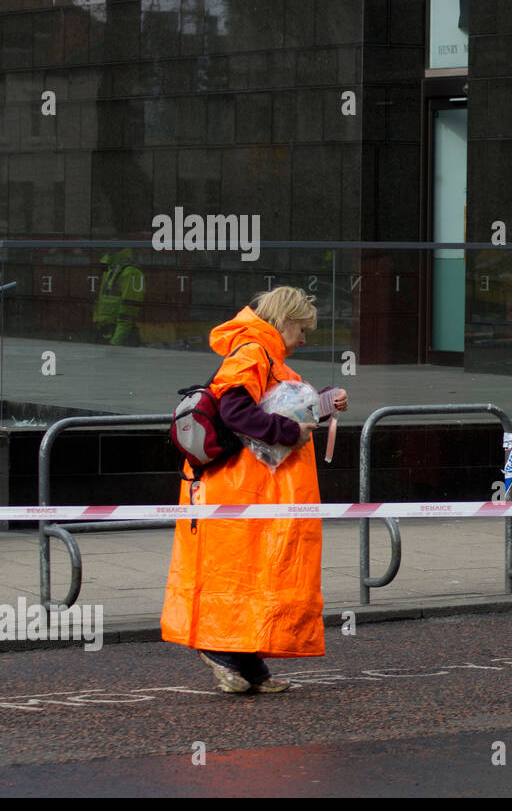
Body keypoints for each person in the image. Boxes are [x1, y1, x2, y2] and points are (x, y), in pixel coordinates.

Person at [161, 287, 347, 693]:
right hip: (239, 488)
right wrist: (289, 432)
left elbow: (272, 406)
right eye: (301, 329)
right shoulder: (252, 352)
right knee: (236, 575)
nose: (304, 339)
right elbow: (236, 412)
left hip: (253, 488)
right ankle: (222, 653)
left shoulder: (263, 355)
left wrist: (325, 405)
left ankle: (249, 665)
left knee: (257, 574)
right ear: (284, 322)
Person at [91, 247, 145, 346]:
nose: (107, 250)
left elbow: (128, 312)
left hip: (120, 336)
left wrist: (116, 342)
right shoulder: (111, 269)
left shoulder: (131, 272)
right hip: (107, 332)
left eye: (111, 248)